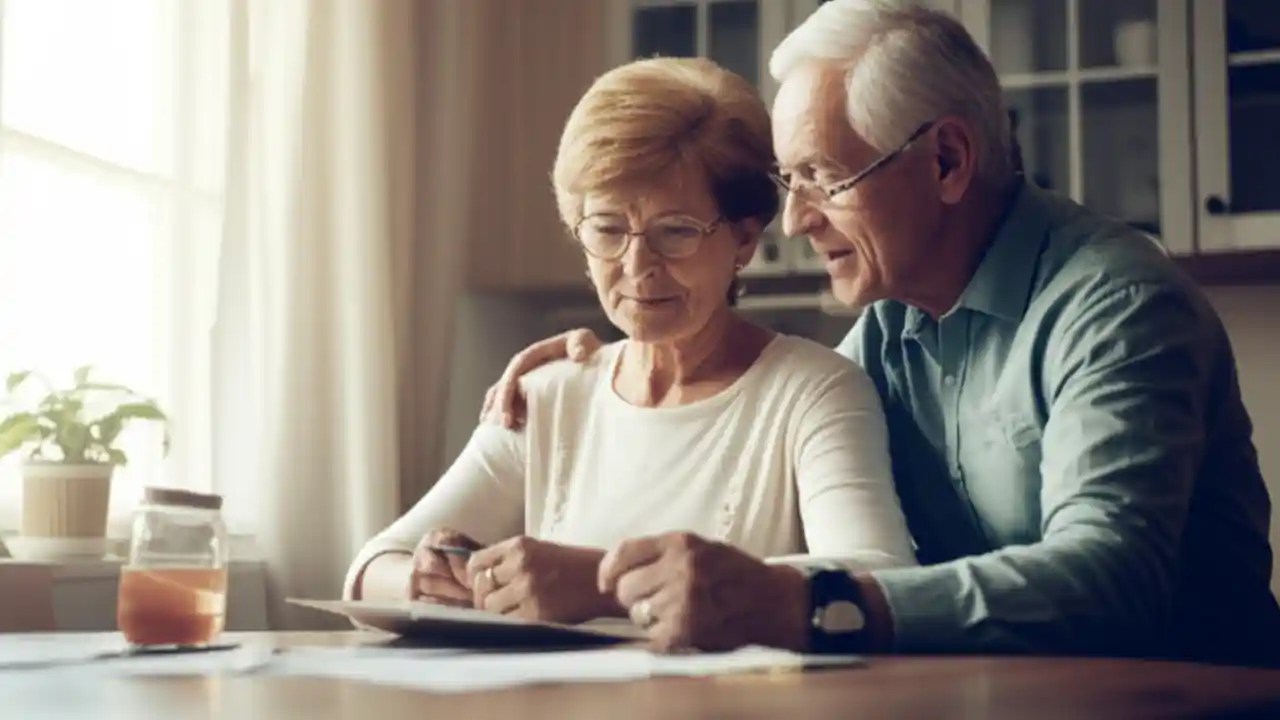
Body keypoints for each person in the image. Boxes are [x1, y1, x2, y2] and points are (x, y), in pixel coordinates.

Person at [481, 0, 1280, 665]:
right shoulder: (885, 330)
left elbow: (1111, 581)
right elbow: (768, 424)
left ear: (946, 162)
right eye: (790, 182)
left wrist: (813, 603)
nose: (795, 219)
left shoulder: (1118, 305)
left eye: (824, 178)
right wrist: (614, 363)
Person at [343, 57, 916, 634]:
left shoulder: (815, 391)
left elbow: (881, 577)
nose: (638, 267)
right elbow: (369, 571)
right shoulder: (548, 394)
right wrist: (428, 579)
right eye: (608, 230)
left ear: (744, 237)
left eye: (676, 232)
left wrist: (598, 586)